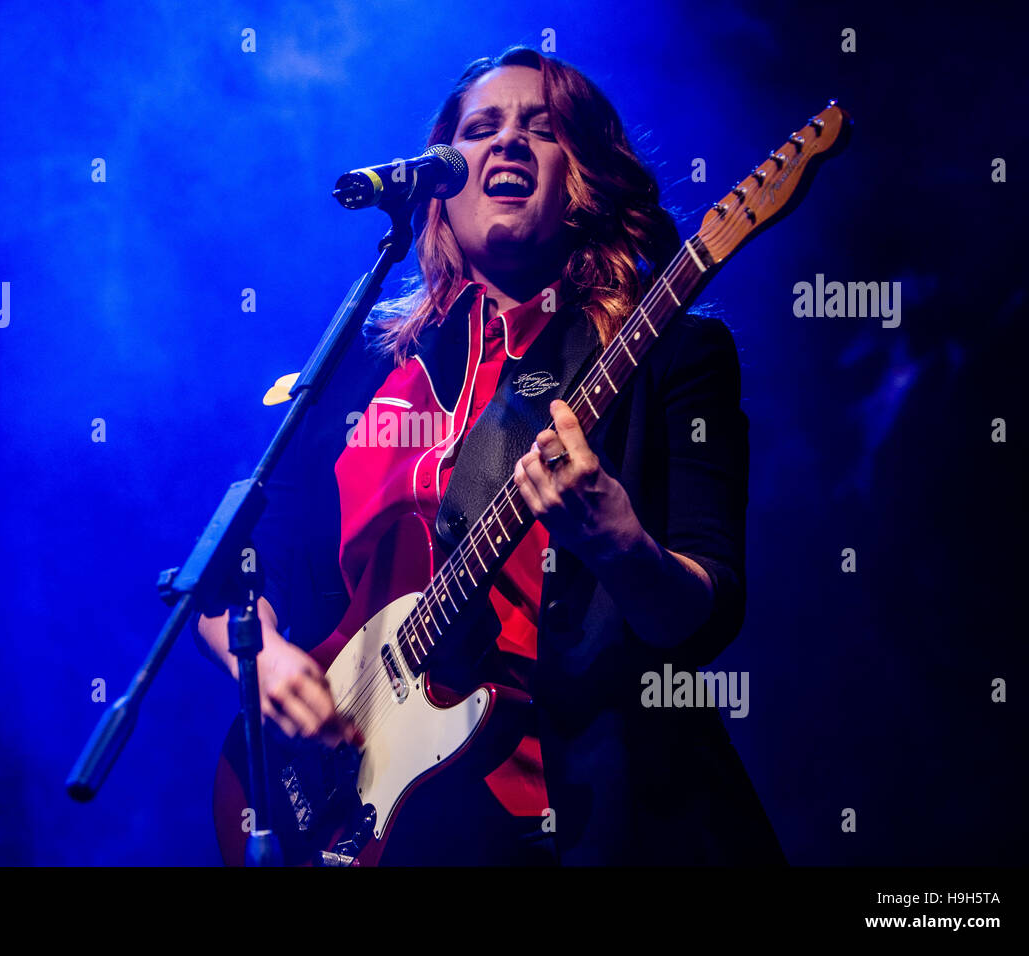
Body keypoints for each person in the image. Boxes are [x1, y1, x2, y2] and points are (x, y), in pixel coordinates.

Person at [195, 46, 785, 866]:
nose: (507, 143)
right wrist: (263, 662)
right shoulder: (364, 366)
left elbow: (708, 611)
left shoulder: (671, 355)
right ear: (440, 180)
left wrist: (621, 544)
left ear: (586, 179)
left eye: (540, 131)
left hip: (598, 819)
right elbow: (232, 567)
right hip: (382, 815)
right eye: (480, 129)